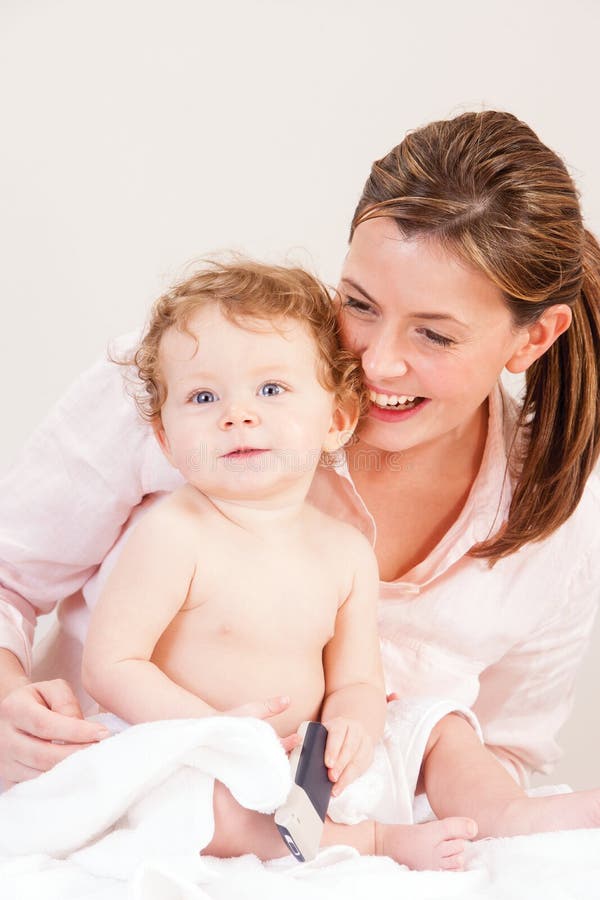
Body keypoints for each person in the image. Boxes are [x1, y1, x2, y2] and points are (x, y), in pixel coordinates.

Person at [0, 110, 599, 832]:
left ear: (533, 337)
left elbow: (501, 750)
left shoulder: (554, 519)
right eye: (359, 305)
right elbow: (10, 575)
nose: (376, 363)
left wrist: (365, 807)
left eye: (434, 334)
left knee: (438, 723)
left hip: (331, 818)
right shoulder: (198, 384)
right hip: (125, 775)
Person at [78, 259, 599, 869]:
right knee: (200, 807)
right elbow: (112, 666)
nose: (237, 414)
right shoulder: (174, 534)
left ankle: (504, 811)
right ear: (164, 439)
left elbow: (356, 678)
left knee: (436, 724)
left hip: (312, 756)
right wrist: (215, 731)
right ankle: (370, 842)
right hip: (194, 744)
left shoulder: (343, 550)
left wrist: (356, 722)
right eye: (202, 397)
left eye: (270, 390)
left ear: (337, 422)